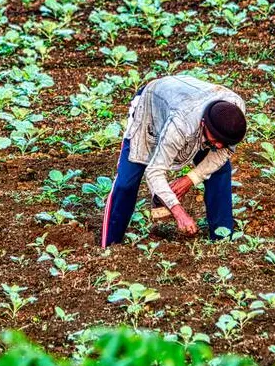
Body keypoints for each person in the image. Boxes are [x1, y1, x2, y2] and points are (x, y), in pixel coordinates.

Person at [101, 75, 247, 247]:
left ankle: (222, 239)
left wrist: (191, 178)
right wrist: (179, 213)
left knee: (219, 171)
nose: (220, 145)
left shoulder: (235, 115)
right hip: (151, 107)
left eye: (224, 141)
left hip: (188, 100)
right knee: (127, 182)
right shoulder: (180, 125)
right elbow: (155, 171)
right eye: (215, 139)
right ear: (203, 124)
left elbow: (224, 152)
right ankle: (110, 245)